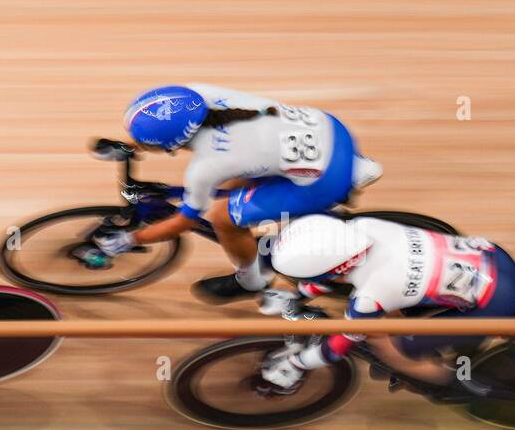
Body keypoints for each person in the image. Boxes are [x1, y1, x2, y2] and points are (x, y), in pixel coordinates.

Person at [94, 83, 384, 303]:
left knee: (222, 217)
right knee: (234, 183)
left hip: (324, 178)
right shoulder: (196, 94)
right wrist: (131, 146)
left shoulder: (207, 165)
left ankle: (252, 281)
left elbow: (184, 223)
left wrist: (128, 239)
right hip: (331, 130)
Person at [256, 213, 515, 394]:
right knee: (399, 311)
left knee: (393, 351)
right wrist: (298, 296)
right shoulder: (362, 226)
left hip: (494, 302)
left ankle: (460, 385)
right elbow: (335, 272)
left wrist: (296, 364)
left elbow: (337, 348)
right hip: (492, 256)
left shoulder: (372, 294)